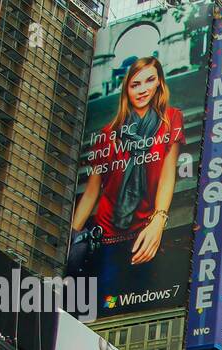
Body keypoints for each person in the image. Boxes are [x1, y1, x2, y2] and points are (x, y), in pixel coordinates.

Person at [69, 56, 184, 271]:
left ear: (159, 82)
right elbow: (93, 191)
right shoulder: (107, 134)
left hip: (145, 231)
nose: (142, 90)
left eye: (149, 80)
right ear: (126, 89)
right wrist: (72, 237)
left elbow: (168, 175)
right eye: (135, 84)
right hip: (105, 236)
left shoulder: (171, 119)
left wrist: (159, 221)